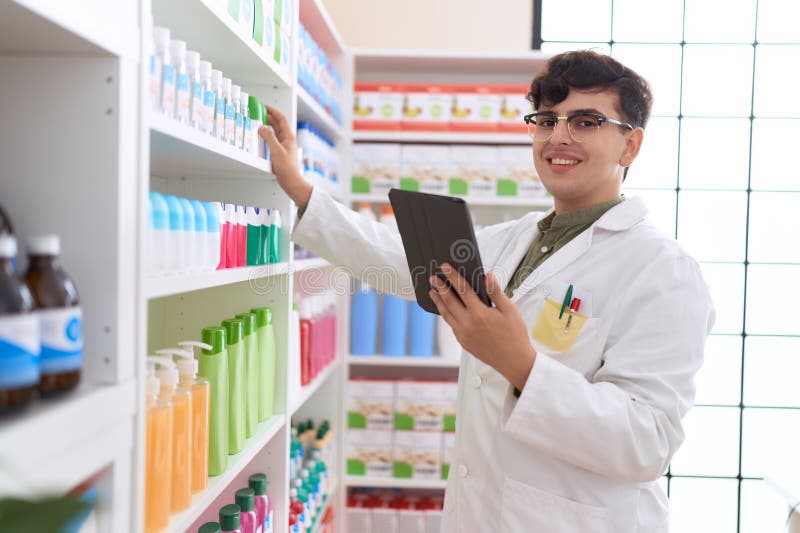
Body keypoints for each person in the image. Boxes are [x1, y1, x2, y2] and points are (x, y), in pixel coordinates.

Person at [259, 50, 715, 533]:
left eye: (585, 121)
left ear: (630, 146)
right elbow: (399, 257)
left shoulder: (663, 271)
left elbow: (648, 442)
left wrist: (522, 364)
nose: (559, 136)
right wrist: (302, 190)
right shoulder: (517, 239)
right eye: (546, 120)